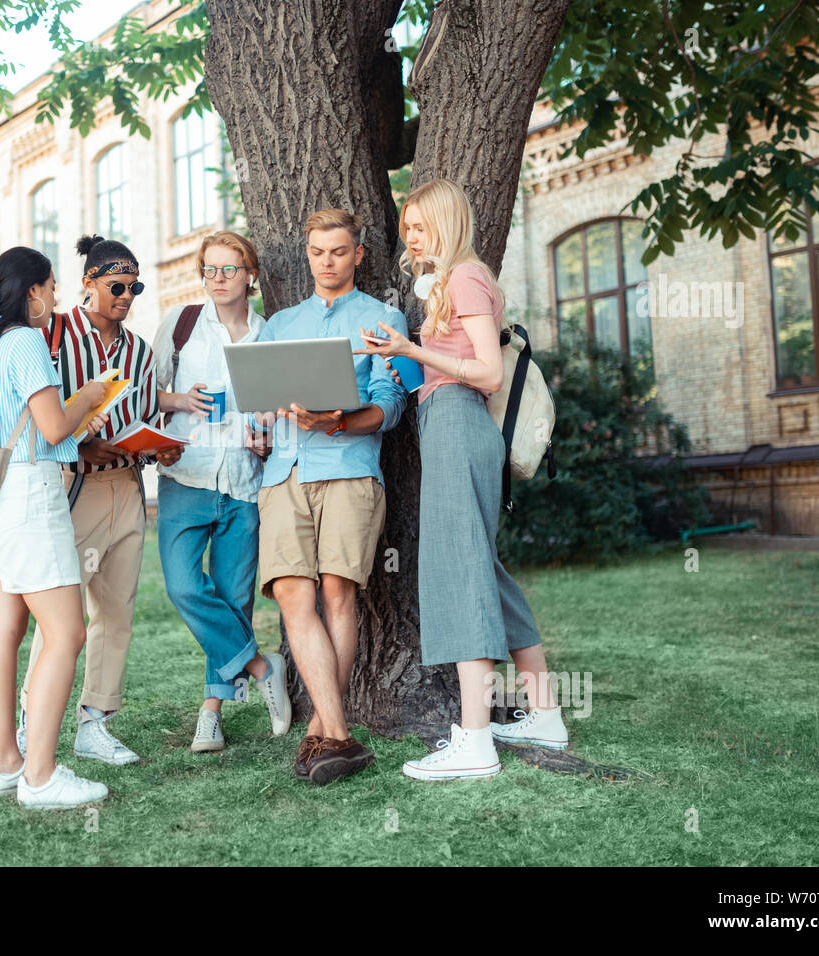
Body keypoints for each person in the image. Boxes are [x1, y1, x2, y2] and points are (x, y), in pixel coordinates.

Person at [355, 179, 570, 781]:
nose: (412, 239)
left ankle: (475, 741)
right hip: (445, 422)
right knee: (484, 570)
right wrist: (403, 357)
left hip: (457, 423)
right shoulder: (452, 284)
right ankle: (546, 714)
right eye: (408, 229)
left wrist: (415, 352)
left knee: (459, 570)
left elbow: (486, 372)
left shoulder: (466, 277)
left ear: (447, 223)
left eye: (420, 227)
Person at [248, 208, 407, 785]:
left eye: (339, 251)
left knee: (338, 594)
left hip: (348, 468)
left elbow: (390, 406)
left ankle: (323, 730)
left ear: (359, 254)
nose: (327, 261)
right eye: (318, 251)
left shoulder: (382, 318)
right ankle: (338, 736)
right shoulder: (279, 324)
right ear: (308, 253)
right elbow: (256, 399)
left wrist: (336, 421)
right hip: (283, 473)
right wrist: (260, 423)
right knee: (293, 594)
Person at [0, 246, 113, 809]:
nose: (54, 297)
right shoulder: (24, 340)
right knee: (67, 633)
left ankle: (7, 763)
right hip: (26, 495)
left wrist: (72, 417)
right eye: (50, 286)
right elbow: (50, 428)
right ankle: (42, 777)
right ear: (33, 292)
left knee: (2, 633)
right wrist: (89, 397)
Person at [17, 235, 160, 766]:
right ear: (89, 284)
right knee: (60, 615)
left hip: (128, 486)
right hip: (72, 485)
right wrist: (80, 443)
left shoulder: (140, 350)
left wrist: (157, 445)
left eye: (133, 287)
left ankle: (93, 722)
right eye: (116, 286)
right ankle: (33, 721)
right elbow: (31, 407)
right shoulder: (50, 334)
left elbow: (144, 411)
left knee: (116, 611)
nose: (126, 295)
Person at [152, 230, 291, 752]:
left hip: (244, 484)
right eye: (208, 270)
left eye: (228, 269)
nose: (216, 279)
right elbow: (149, 396)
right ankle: (260, 666)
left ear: (250, 275)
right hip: (185, 477)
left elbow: (280, 412)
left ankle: (211, 713)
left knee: (233, 599)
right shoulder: (182, 325)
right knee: (186, 587)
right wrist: (180, 400)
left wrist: (266, 439)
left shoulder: (268, 335)